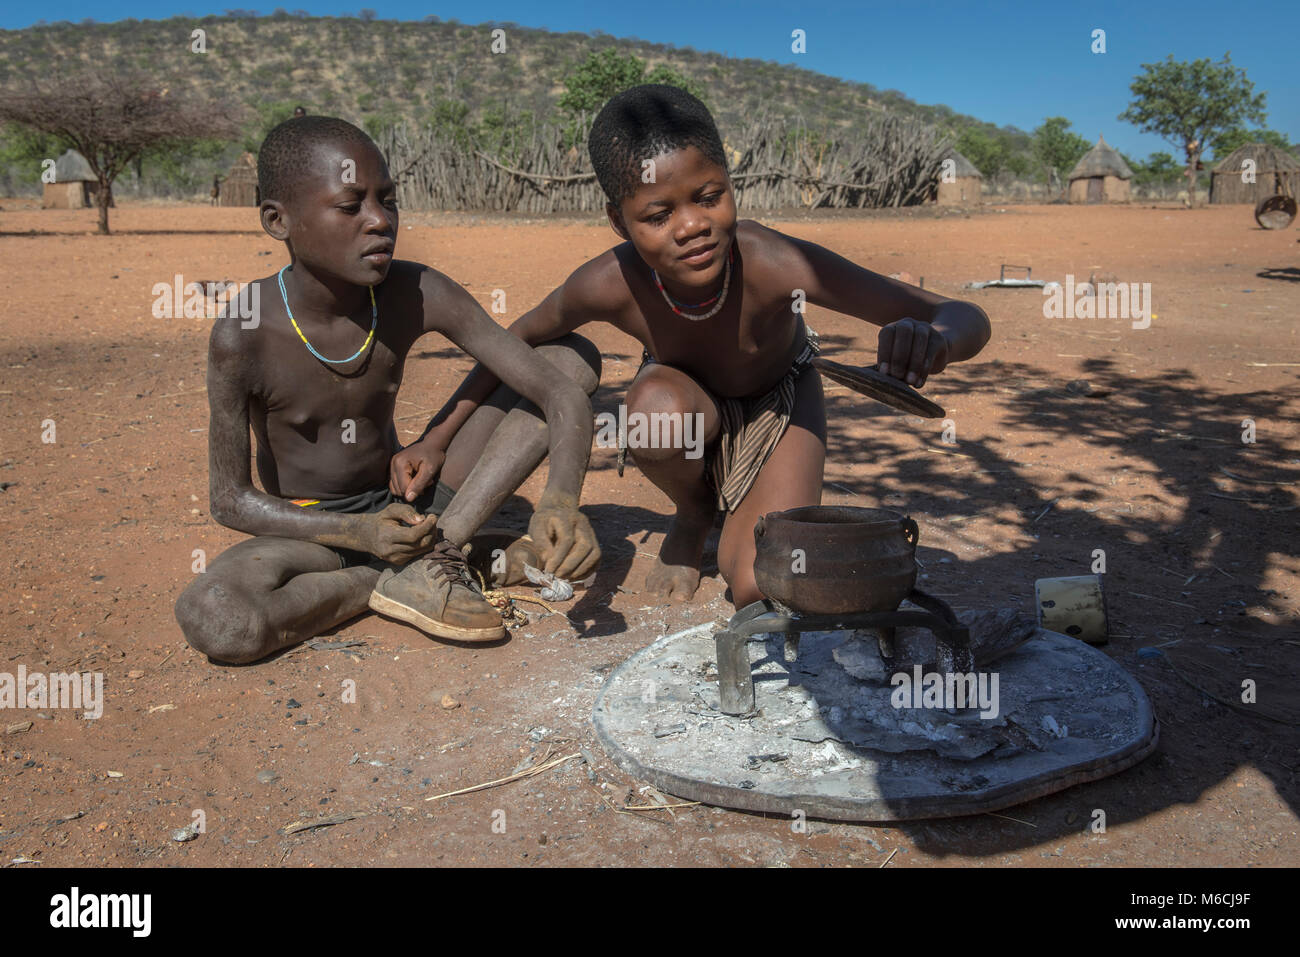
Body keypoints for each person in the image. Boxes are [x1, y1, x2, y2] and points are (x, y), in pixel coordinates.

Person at [435, 85, 990, 608]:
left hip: (782, 402)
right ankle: (694, 511)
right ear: (618, 221)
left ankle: (739, 516)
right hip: (685, 405)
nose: (692, 225)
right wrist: (439, 436)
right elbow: (516, 341)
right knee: (654, 410)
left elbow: (965, 315)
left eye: (709, 197)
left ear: (731, 183)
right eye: (658, 215)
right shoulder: (608, 283)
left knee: (759, 583)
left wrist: (936, 340)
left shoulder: (773, 263)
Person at [175, 116, 601, 663]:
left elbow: (559, 387)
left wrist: (560, 499)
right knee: (219, 616)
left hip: (412, 499)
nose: (381, 221)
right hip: (316, 530)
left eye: (389, 200)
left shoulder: (415, 290)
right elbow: (230, 500)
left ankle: (436, 554)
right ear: (278, 220)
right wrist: (363, 535)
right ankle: (398, 575)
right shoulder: (245, 333)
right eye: (351, 205)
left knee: (572, 357)